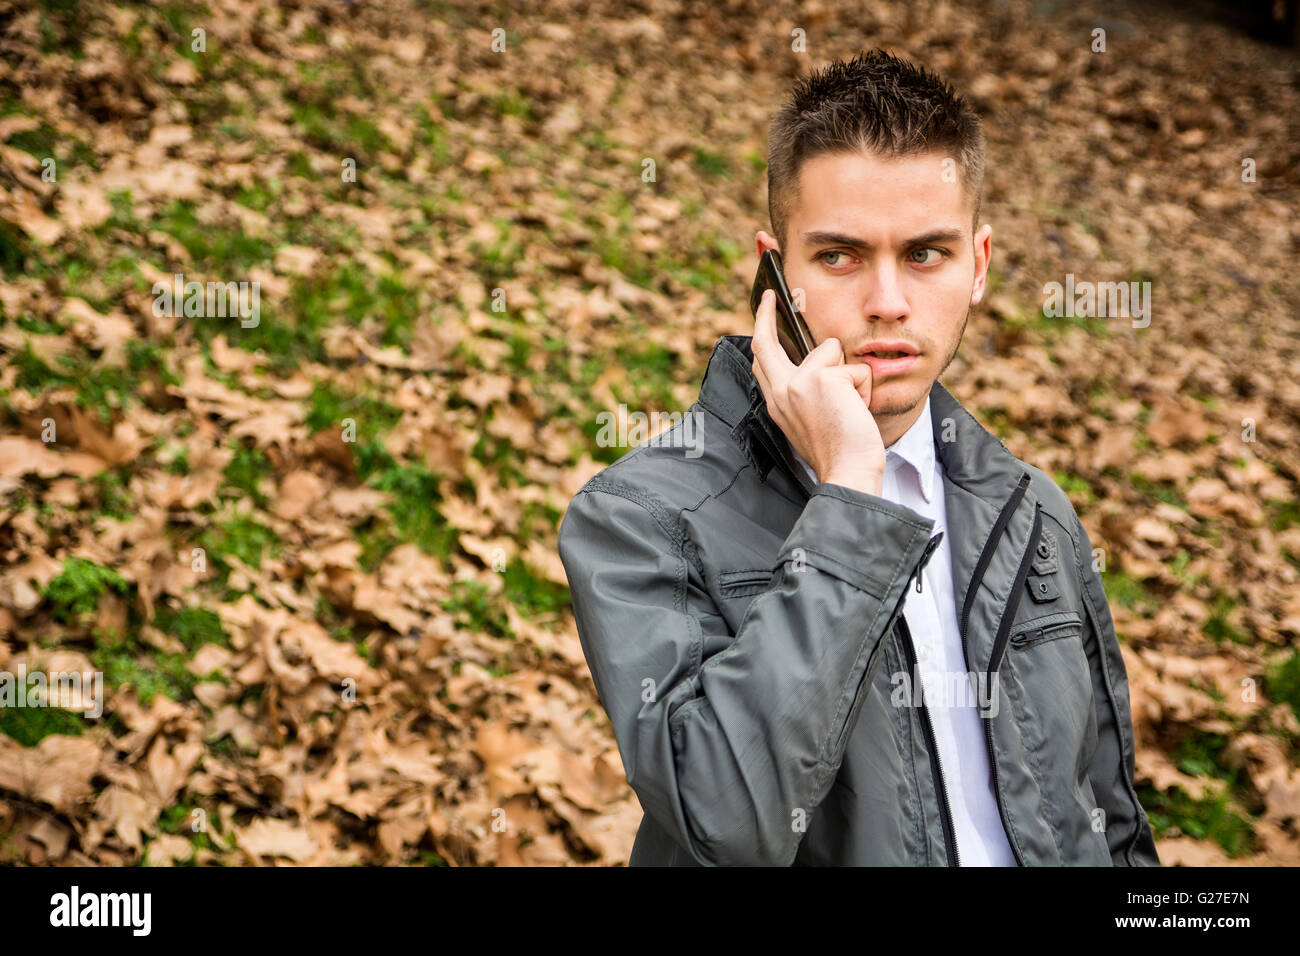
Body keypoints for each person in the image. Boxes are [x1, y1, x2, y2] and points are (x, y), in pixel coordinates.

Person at [556, 48, 1160, 866]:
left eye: (925, 255)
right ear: (776, 271)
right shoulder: (644, 518)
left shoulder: (1031, 510)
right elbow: (726, 821)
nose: (887, 302)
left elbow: (1111, 827)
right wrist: (849, 494)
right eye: (839, 256)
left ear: (977, 266)